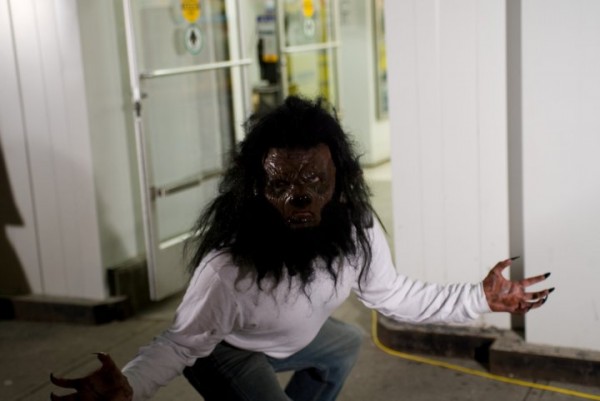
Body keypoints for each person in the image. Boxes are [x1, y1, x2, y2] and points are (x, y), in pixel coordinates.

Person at [50, 96, 553, 401]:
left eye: (314, 180)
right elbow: (181, 344)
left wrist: (479, 299)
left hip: (286, 341)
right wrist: (131, 385)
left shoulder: (355, 229)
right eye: (281, 185)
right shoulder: (228, 269)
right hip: (225, 352)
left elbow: (393, 295)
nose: (300, 199)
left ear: (338, 179)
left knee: (345, 344)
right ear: (256, 190)